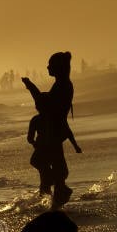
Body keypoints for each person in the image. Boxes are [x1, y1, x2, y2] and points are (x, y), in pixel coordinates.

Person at [22, 51, 81, 207]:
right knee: (49, 166)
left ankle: (54, 194)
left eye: (50, 65)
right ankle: (48, 199)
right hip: (53, 131)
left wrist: (32, 89)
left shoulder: (63, 85)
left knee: (39, 162)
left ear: (58, 67)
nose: (47, 67)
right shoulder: (62, 84)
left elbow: (46, 106)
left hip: (53, 132)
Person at [27, 95, 82, 197]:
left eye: (38, 105)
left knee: (44, 173)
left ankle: (47, 196)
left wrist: (35, 144)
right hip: (53, 149)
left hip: (43, 150)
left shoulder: (36, 119)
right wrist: (75, 146)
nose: (37, 107)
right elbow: (67, 132)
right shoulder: (55, 118)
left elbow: (30, 138)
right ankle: (50, 193)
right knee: (50, 173)